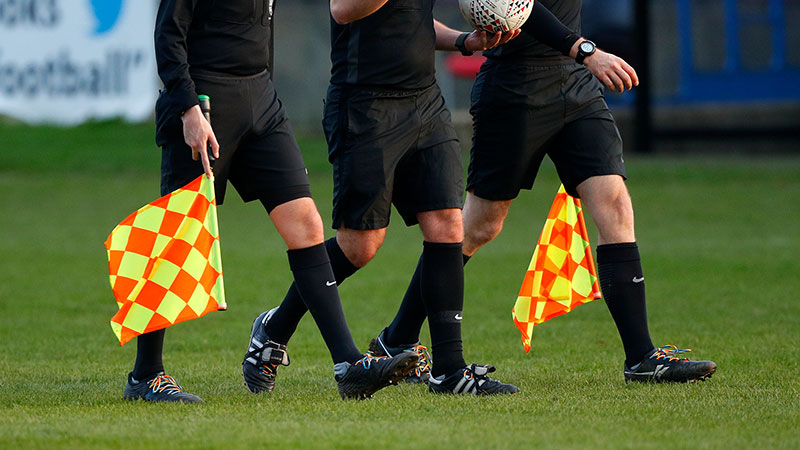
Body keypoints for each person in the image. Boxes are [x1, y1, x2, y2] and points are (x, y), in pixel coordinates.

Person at [124, 0, 418, 403]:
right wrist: (188, 108)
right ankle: (145, 376)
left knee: (307, 225)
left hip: (262, 99)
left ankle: (348, 365)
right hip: (206, 100)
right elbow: (168, 34)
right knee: (175, 235)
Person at [248, 0, 521, 396]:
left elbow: (413, 20)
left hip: (424, 102)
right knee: (359, 247)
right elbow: (342, 9)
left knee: (448, 224)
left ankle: (450, 370)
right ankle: (273, 329)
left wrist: (464, 41)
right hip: (365, 106)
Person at [459, 0, 717, 383]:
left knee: (614, 203)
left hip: (575, 87)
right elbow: (517, 6)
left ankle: (642, 358)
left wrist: (580, 57)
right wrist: (586, 50)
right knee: (478, 228)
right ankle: (398, 338)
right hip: (516, 88)